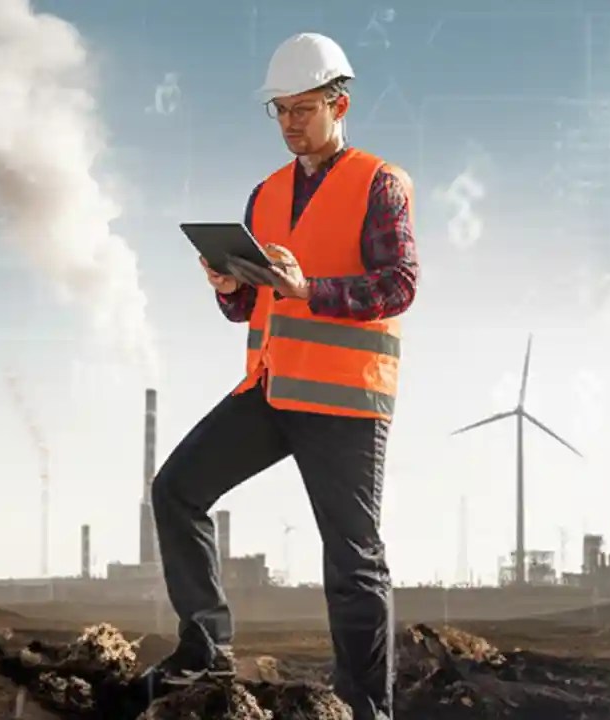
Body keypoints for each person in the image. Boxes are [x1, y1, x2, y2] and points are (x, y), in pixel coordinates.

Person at [145, 31, 418, 719]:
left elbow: (398, 286)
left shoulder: (379, 184)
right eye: (280, 111)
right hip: (270, 389)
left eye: (303, 108)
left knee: (353, 561)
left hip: (345, 400)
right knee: (176, 490)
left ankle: (366, 708)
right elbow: (244, 309)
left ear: (339, 104)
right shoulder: (264, 194)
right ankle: (206, 649)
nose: (291, 123)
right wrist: (223, 280)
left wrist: (310, 290)